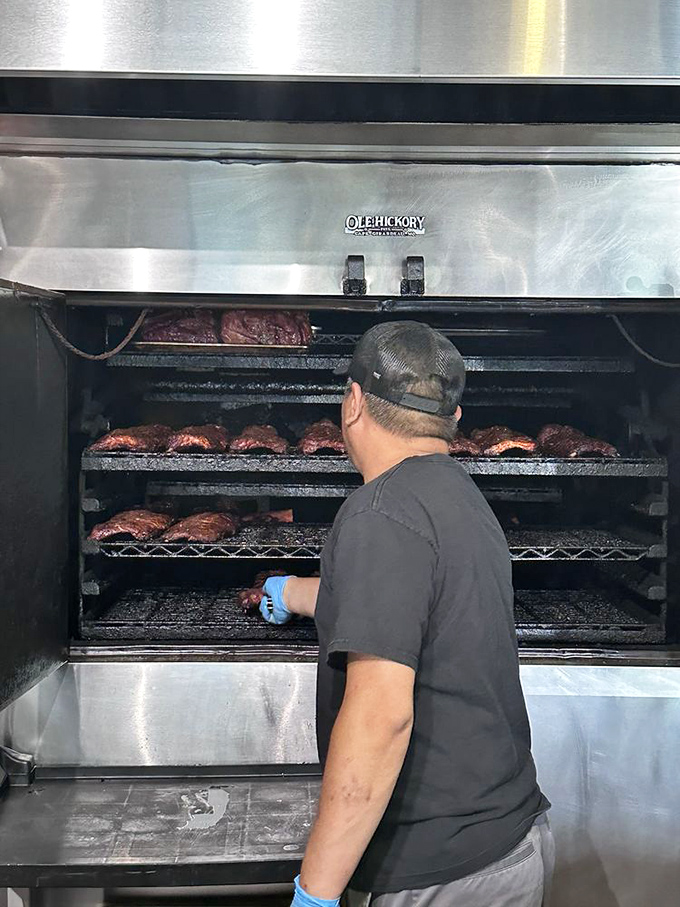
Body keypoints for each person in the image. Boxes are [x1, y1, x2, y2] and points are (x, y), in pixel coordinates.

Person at [261, 322, 553, 907]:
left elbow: (381, 719)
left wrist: (315, 891)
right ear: (455, 417)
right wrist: (293, 592)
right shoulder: (460, 498)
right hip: (505, 837)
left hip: (440, 871)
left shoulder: (381, 512)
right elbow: (411, 604)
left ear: (353, 403)